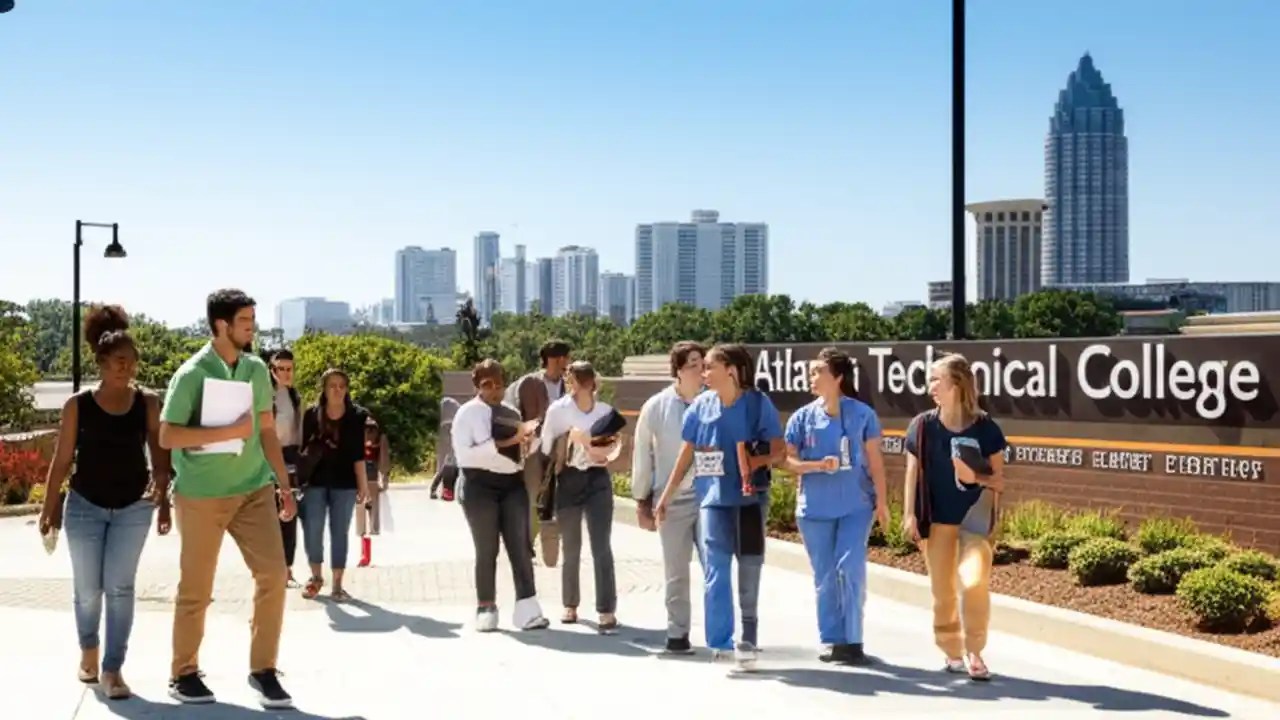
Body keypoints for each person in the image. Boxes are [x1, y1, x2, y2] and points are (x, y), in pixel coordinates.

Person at [160, 289, 297, 709]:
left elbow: (267, 431)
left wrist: (284, 485)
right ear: (221, 325)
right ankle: (183, 673)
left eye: (252, 319)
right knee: (197, 588)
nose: (252, 327)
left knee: (274, 574)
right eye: (245, 321)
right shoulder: (191, 374)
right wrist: (225, 433)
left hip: (253, 490)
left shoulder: (257, 370)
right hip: (200, 496)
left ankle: (263, 669)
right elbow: (167, 435)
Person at [37, 305, 171, 700]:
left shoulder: (147, 402)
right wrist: (48, 507)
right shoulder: (77, 405)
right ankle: (89, 649)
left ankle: (113, 669)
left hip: (133, 508)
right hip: (85, 507)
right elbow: (62, 460)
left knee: (120, 587)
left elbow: (159, 455)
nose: (125, 368)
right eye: (118, 361)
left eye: (131, 362)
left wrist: (163, 497)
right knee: (87, 589)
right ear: (101, 362)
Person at [655, 343, 784, 671]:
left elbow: (780, 451)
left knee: (749, 570)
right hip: (712, 502)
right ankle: (721, 643)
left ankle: (749, 637)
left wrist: (753, 460)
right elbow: (687, 453)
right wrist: (666, 496)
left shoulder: (757, 404)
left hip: (751, 500)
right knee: (716, 572)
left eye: (709, 367)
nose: (703, 373)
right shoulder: (700, 406)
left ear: (731, 370)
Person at [902, 353, 1008, 682]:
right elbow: (911, 472)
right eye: (930, 379)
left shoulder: (986, 428)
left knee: (973, 581)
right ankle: (951, 650)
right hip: (936, 520)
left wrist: (974, 477)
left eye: (937, 379)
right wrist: (908, 514)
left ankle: (975, 650)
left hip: (974, 521)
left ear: (957, 384)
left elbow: (1000, 481)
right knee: (943, 591)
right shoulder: (922, 426)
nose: (930, 385)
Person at [784, 347, 891, 665]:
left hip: (856, 506)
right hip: (815, 510)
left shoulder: (862, 415)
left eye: (818, 372)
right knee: (825, 575)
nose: (811, 377)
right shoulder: (802, 418)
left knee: (850, 567)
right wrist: (816, 466)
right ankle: (832, 640)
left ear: (838, 378)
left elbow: (875, 462)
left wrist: (882, 503)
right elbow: (787, 460)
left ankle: (853, 640)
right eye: (811, 372)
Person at [452, 359, 551, 632]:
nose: (494, 390)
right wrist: (503, 443)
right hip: (479, 484)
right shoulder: (467, 414)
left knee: (520, 547)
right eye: (487, 385)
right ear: (477, 386)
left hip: (511, 483)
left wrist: (529, 442)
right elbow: (465, 454)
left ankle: (528, 608)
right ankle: (486, 606)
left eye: (498, 384)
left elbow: (522, 456)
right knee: (487, 548)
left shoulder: (510, 411)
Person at [631, 340, 706, 654]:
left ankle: (722, 634)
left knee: (715, 568)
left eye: (703, 364)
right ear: (677, 370)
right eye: (693, 365)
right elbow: (642, 456)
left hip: (709, 500)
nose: (701, 370)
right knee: (676, 571)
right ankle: (678, 634)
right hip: (671, 501)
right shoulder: (656, 407)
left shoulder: (714, 403)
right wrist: (641, 500)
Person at [539, 361, 622, 632]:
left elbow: (614, 448)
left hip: (598, 479)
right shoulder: (558, 410)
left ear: (590, 384)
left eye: (575, 380)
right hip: (569, 478)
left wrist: (593, 445)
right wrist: (568, 439)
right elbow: (546, 444)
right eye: (569, 379)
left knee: (602, 547)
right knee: (571, 546)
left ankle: (606, 609)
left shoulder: (605, 412)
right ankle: (570, 604)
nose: (571, 385)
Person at [298, 369, 372, 600]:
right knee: (313, 528)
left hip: (345, 483)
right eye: (332, 385)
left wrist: (363, 486)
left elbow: (358, 454)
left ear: (347, 389)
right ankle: (316, 577)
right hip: (316, 481)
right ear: (324, 389)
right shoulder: (312, 414)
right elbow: (304, 449)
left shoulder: (356, 416)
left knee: (340, 532)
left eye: (342, 385)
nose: (337, 390)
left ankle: (337, 585)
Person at [504, 340, 572, 566]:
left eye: (566, 358)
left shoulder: (568, 385)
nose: (565, 362)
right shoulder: (530, 383)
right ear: (552, 359)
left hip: (561, 449)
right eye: (561, 358)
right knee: (532, 497)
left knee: (555, 500)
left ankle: (550, 545)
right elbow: (516, 414)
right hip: (534, 449)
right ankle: (525, 546)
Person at [268, 349, 304, 588]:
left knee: (290, 515)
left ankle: (287, 570)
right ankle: (271, 571)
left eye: (289, 368)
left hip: (291, 457)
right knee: (269, 516)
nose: (285, 373)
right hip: (269, 457)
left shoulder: (294, 396)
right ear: (272, 370)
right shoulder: (265, 397)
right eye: (281, 368)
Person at [356, 415, 391, 567]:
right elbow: (384, 461)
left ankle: (365, 554)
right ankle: (366, 554)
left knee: (364, 517)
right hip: (369, 479)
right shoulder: (378, 437)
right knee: (369, 516)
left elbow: (383, 460)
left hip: (363, 479)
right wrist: (384, 479)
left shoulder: (356, 437)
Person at [431, 397, 461, 500]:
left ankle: (448, 491)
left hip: (456, 454)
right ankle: (442, 490)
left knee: (450, 470)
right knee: (447, 469)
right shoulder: (448, 423)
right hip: (453, 457)